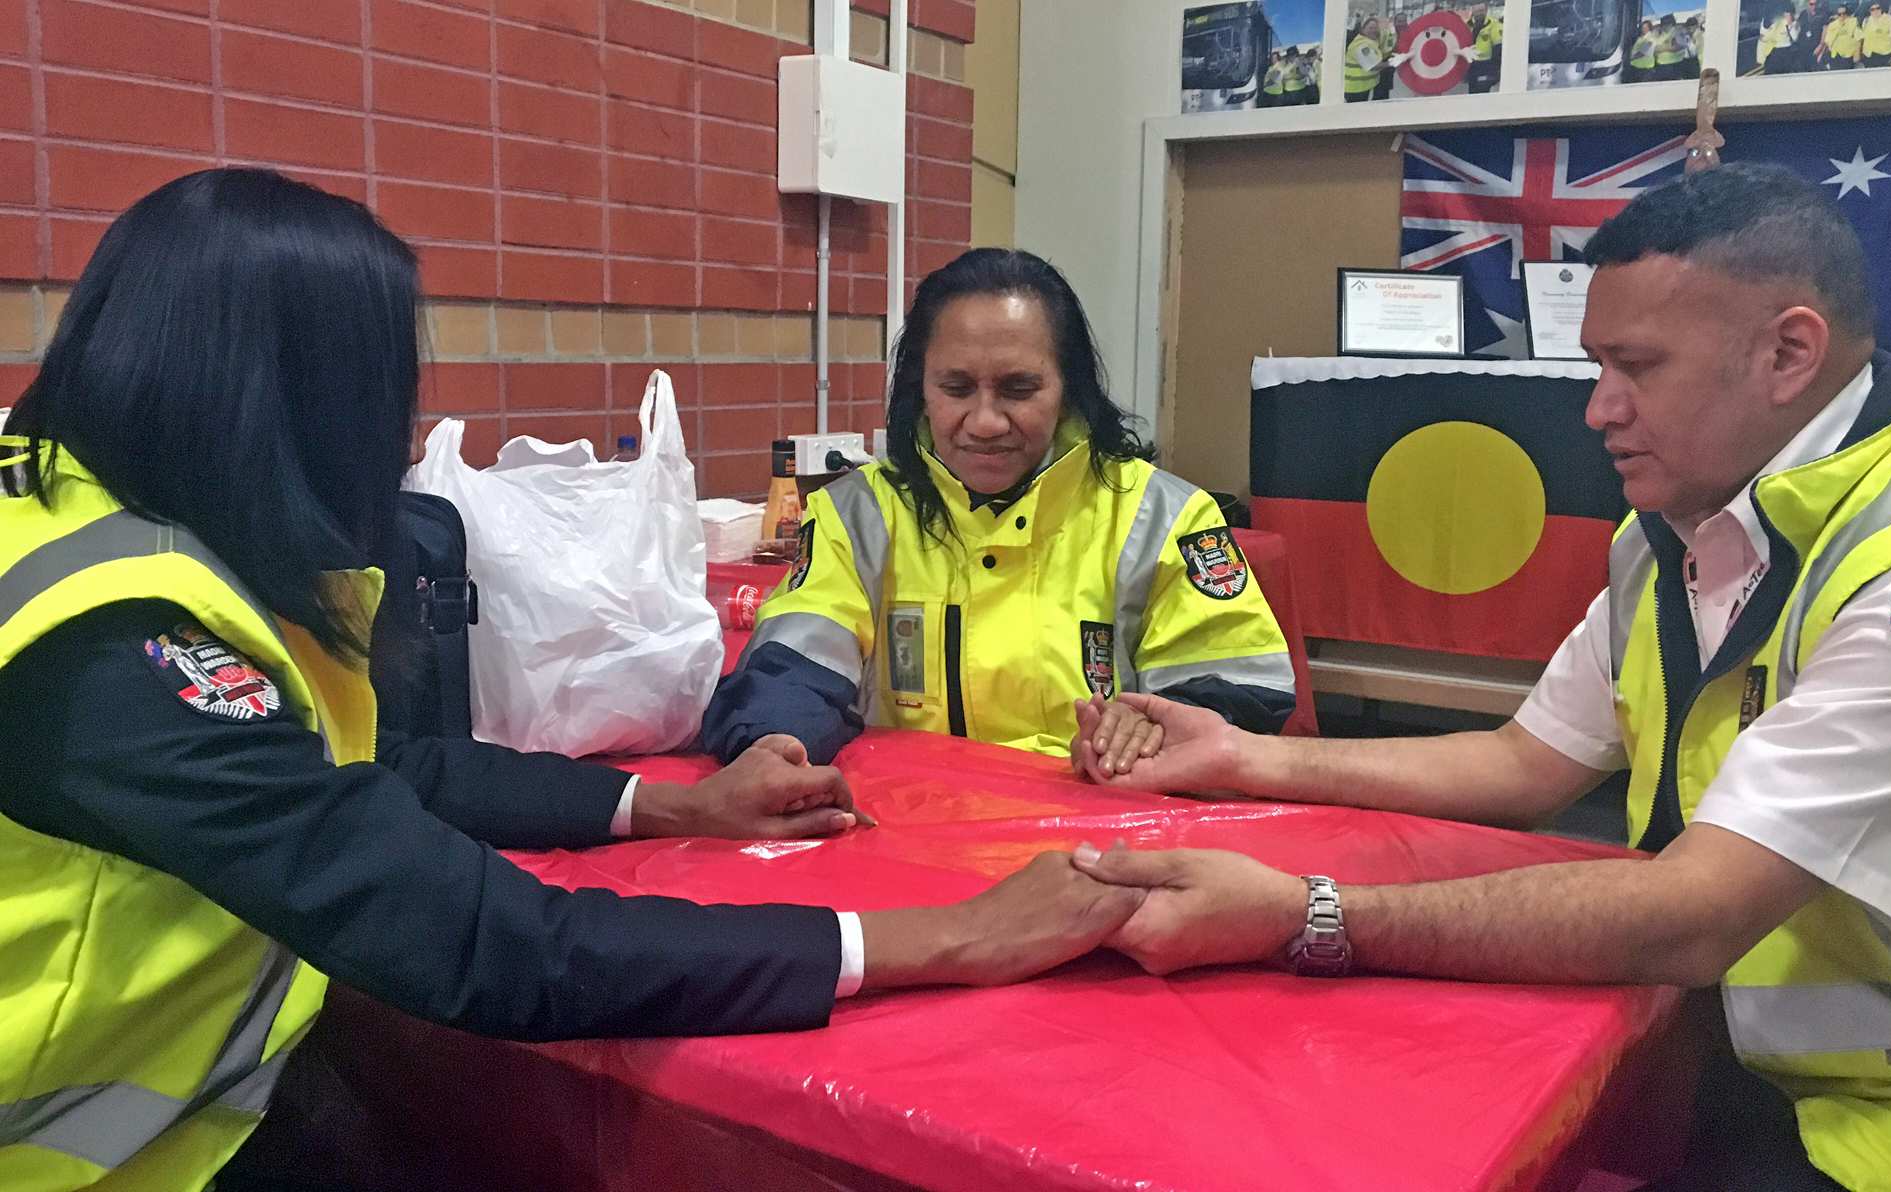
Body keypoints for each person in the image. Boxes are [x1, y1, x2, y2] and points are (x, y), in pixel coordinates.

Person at [0, 170, 1146, 1192]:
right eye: (381, 394)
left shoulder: (90, 523)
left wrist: (674, 804)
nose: (397, 442)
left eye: (1019, 388)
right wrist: (939, 939)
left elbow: (365, 770)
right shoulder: (119, 642)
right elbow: (474, 934)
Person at [1068, 165, 1891, 1192]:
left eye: (1637, 366)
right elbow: (1524, 759)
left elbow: (1693, 913)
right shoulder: (1676, 524)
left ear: (1788, 353)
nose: (1598, 409)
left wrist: (1305, 914)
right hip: (1719, 1050)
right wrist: (1239, 753)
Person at [702, 248, 1295, 769]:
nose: (984, 422)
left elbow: (1238, 685)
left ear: (1069, 391)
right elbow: (792, 668)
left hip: (1099, 854)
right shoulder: (856, 515)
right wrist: (774, 744)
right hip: (902, 845)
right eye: (956, 389)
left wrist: (1158, 727)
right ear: (920, 390)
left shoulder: (1166, 517)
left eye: (1018, 389)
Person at [1345, 16, 1386, 100]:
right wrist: (1392, 62)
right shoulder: (1361, 45)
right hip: (1356, 87)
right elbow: (1373, 66)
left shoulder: (1369, 40)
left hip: (1362, 85)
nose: (1374, 30)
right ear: (1362, 29)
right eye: (1370, 28)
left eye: (1375, 28)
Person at [1466, 2, 1503, 92]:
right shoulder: (1468, 25)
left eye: (1481, 11)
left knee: (1483, 92)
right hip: (1472, 66)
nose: (1479, 13)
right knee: (1472, 92)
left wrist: (1495, 68)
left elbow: (1498, 48)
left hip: (1487, 65)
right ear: (1473, 11)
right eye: (1477, 11)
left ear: (1486, 10)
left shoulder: (1494, 25)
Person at [1756, 6, 1799, 72]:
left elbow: (1795, 37)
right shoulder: (1767, 20)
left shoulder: (1788, 18)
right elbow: (1763, 39)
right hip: (1772, 53)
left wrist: (1790, 23)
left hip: (1786, 51)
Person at [1858, 1, 1891, 65]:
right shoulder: (1866, 20)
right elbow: (1863, 38)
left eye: (1878, 8)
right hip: (1867, 55)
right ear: (1869, 11)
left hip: (1883, 55)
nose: (1875, 11)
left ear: (1881, 8)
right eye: (1872, 9)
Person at [1653, 12, 1690, 78]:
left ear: (1672, 23)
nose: (1665, 25)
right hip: (1661, 66)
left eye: (1668, 23)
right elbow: (1653, 49)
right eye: (1663, 23)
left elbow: (1677, 47)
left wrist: (1661, 48)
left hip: (1675, 66)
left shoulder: (1678, 31)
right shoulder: (1660, 34)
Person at [1373, 12, 1400, 99]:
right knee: (1381, 88)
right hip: (1382, 62)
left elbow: (1391, 43)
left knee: (1383, 88)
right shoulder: (1383, 32)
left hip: (1385, 62)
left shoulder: (1389, 31)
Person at [1793, 0, 1827, 66]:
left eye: (1816, 4)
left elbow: (1825, 30)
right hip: (1802, 47)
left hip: (1815, 47)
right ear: (1808, 4)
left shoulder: (1823, 15)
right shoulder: (1803, 13)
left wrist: (1821, 45)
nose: (1814, 6)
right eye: (1811, 4)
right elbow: (1797, 28)